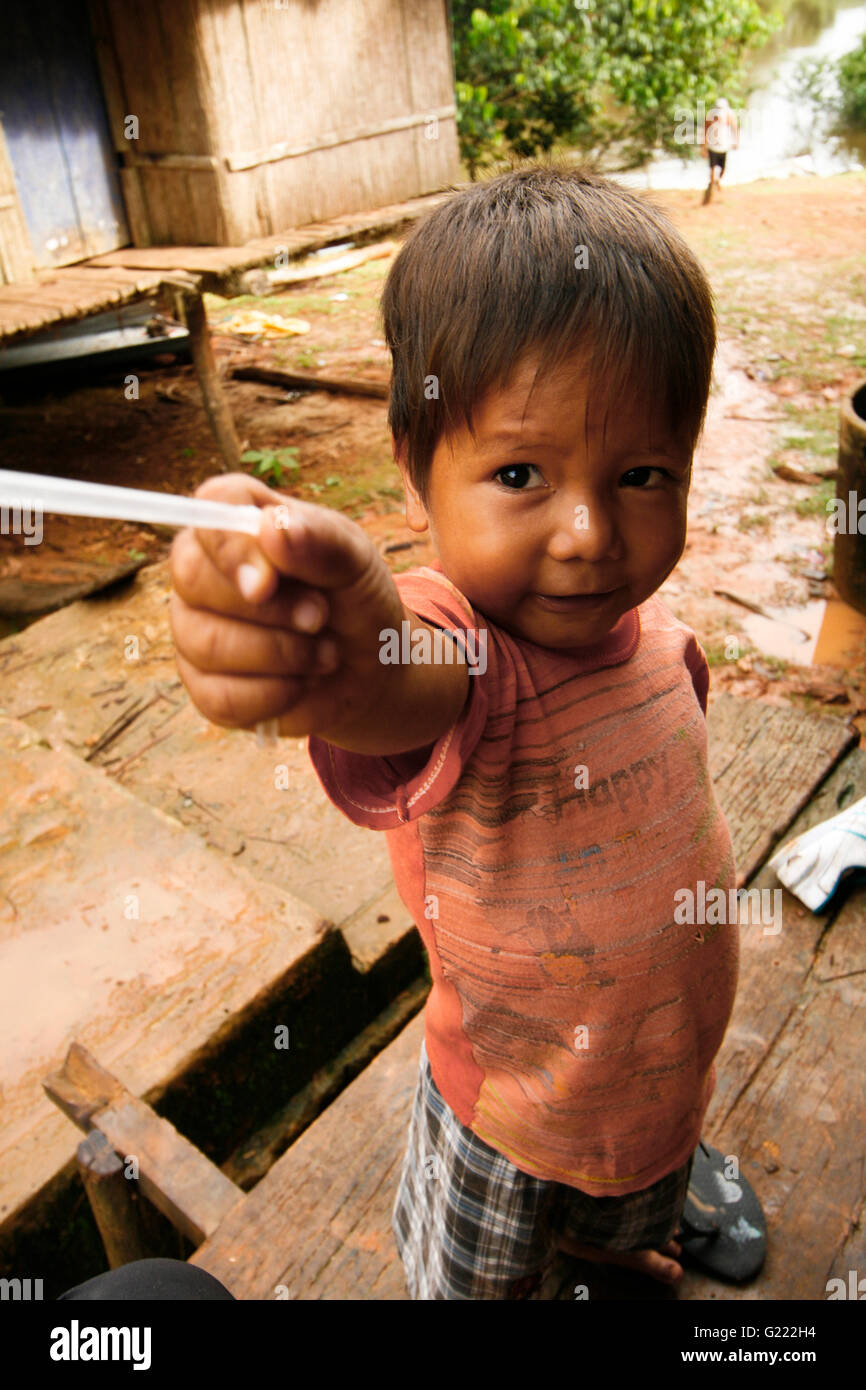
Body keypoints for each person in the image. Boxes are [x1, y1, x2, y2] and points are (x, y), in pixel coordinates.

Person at [169, 164, 766, 1300]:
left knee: (620, 1213)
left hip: (658, 1080)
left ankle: (620, 1239)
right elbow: (402, 679)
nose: (588, 532)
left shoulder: (655, 640)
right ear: (413, 477)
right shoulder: (463, 647)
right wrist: (339, 650)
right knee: (482, 1286)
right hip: (510, 1114)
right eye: (519, 473)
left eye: (640, 473)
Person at [701, 96, 739, 196]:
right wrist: (703, 147)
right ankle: (712, 187)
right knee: (713, 167)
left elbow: (734, 128)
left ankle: (716, 181)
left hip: (723, 146)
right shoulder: (710, 116)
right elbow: (705, 131)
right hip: (712, 146)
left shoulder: (729, 116)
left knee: (722, 169)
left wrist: (736, 141)